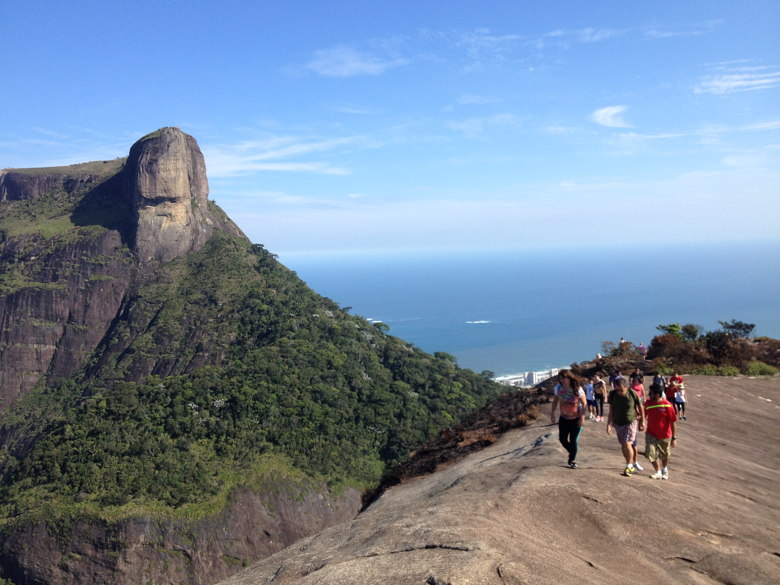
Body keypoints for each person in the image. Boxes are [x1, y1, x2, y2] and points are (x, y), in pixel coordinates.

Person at [606, 377, 645, 476]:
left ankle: (628, 466)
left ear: (626, 387)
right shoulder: (613, 394)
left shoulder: (632, 393)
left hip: (631, 421)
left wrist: (642, 421)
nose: (619, 391)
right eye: (617, 389)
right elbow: (611, 411)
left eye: (621, 389)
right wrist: (608, 425)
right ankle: (630, 464)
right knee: (623, 445)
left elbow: (640, 407)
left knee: (628, 443)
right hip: (618, 423)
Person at [550, 369, 587, 469]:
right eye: (560, 378)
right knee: (562, 439)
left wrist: (582, 418)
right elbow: (555, 401)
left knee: (573, 440)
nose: (562, 380)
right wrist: (552, 413)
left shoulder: (577, 389)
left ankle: (572, 460)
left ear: (569, 378)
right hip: (563, 418)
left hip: (575, 419)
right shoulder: (558, 388)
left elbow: (584, 404)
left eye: (564, 378)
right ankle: (573, 451)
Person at [643, 384, 678, 479]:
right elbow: (643, 415)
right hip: (651, 433)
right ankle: (658, 471)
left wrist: (674, 438)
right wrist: (641, 422)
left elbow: (673, 422)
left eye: (651, 393)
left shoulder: (667, 405)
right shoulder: (648, 403)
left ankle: (664, 469)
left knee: (664, 455)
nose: (649, 394)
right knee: (650, 453)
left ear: (657, 395)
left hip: (665, 435)